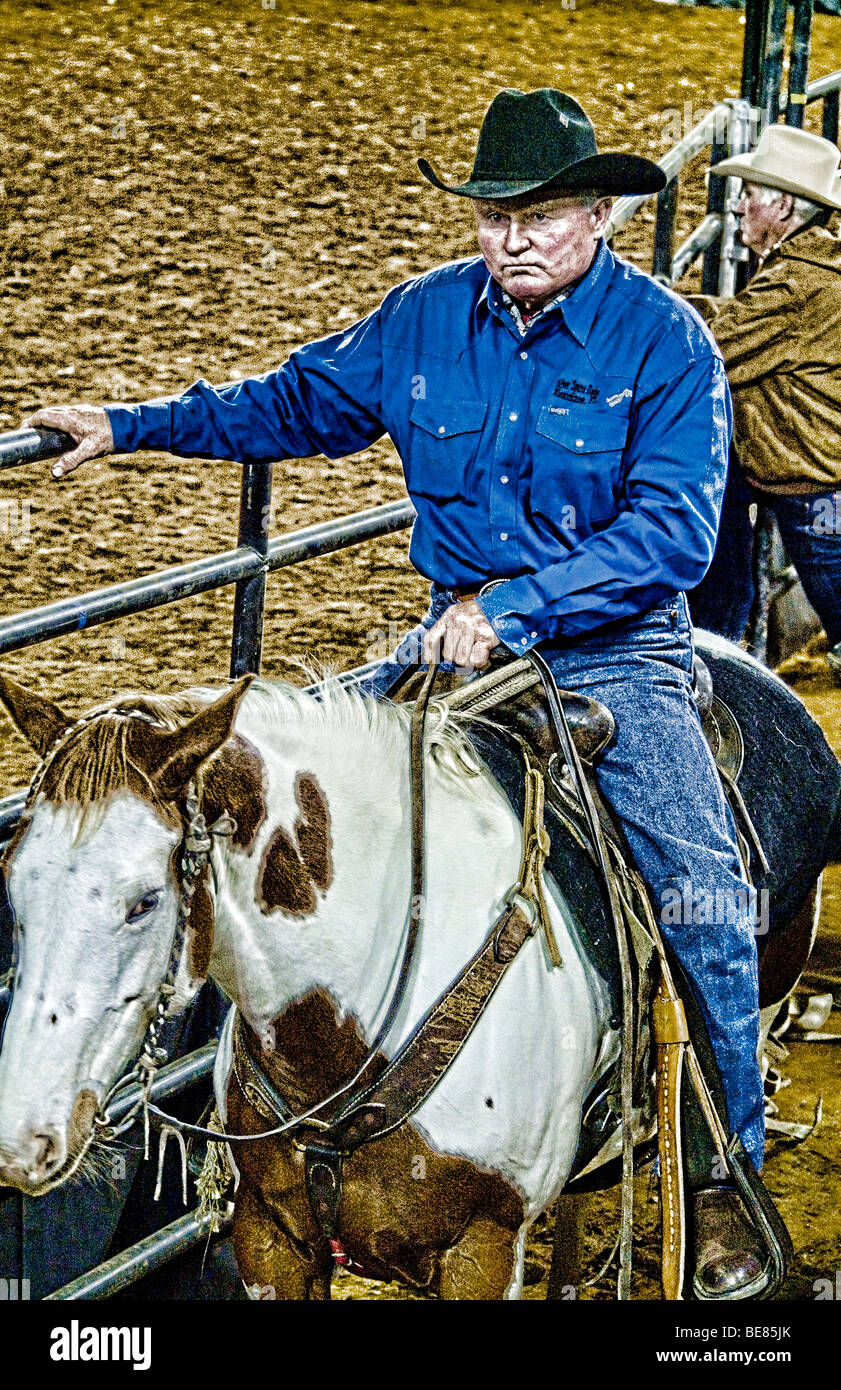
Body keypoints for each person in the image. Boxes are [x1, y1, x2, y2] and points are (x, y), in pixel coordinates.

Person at [27, 88, 768, 1298]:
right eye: (492, 217)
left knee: (702, 893)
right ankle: (250, 1138)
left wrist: (515, 610)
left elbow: (674, 536)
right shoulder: (424, 318)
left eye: (538, 215)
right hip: (448, 647)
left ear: (598, 214)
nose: (512, 238)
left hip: (612, 649)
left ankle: (722, 1178)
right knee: (271, 814)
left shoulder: (666, 344)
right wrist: (128, 423)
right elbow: (290, 404)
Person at [686, 125, 841, 670]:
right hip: (800, 466)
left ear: (781, 204)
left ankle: (717, 666)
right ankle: (718, 658)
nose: (738, 207)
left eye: (749, 194)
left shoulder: (799, 281)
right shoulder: (811, 271)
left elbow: (716, 346)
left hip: (810, 476)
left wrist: (655, 305)